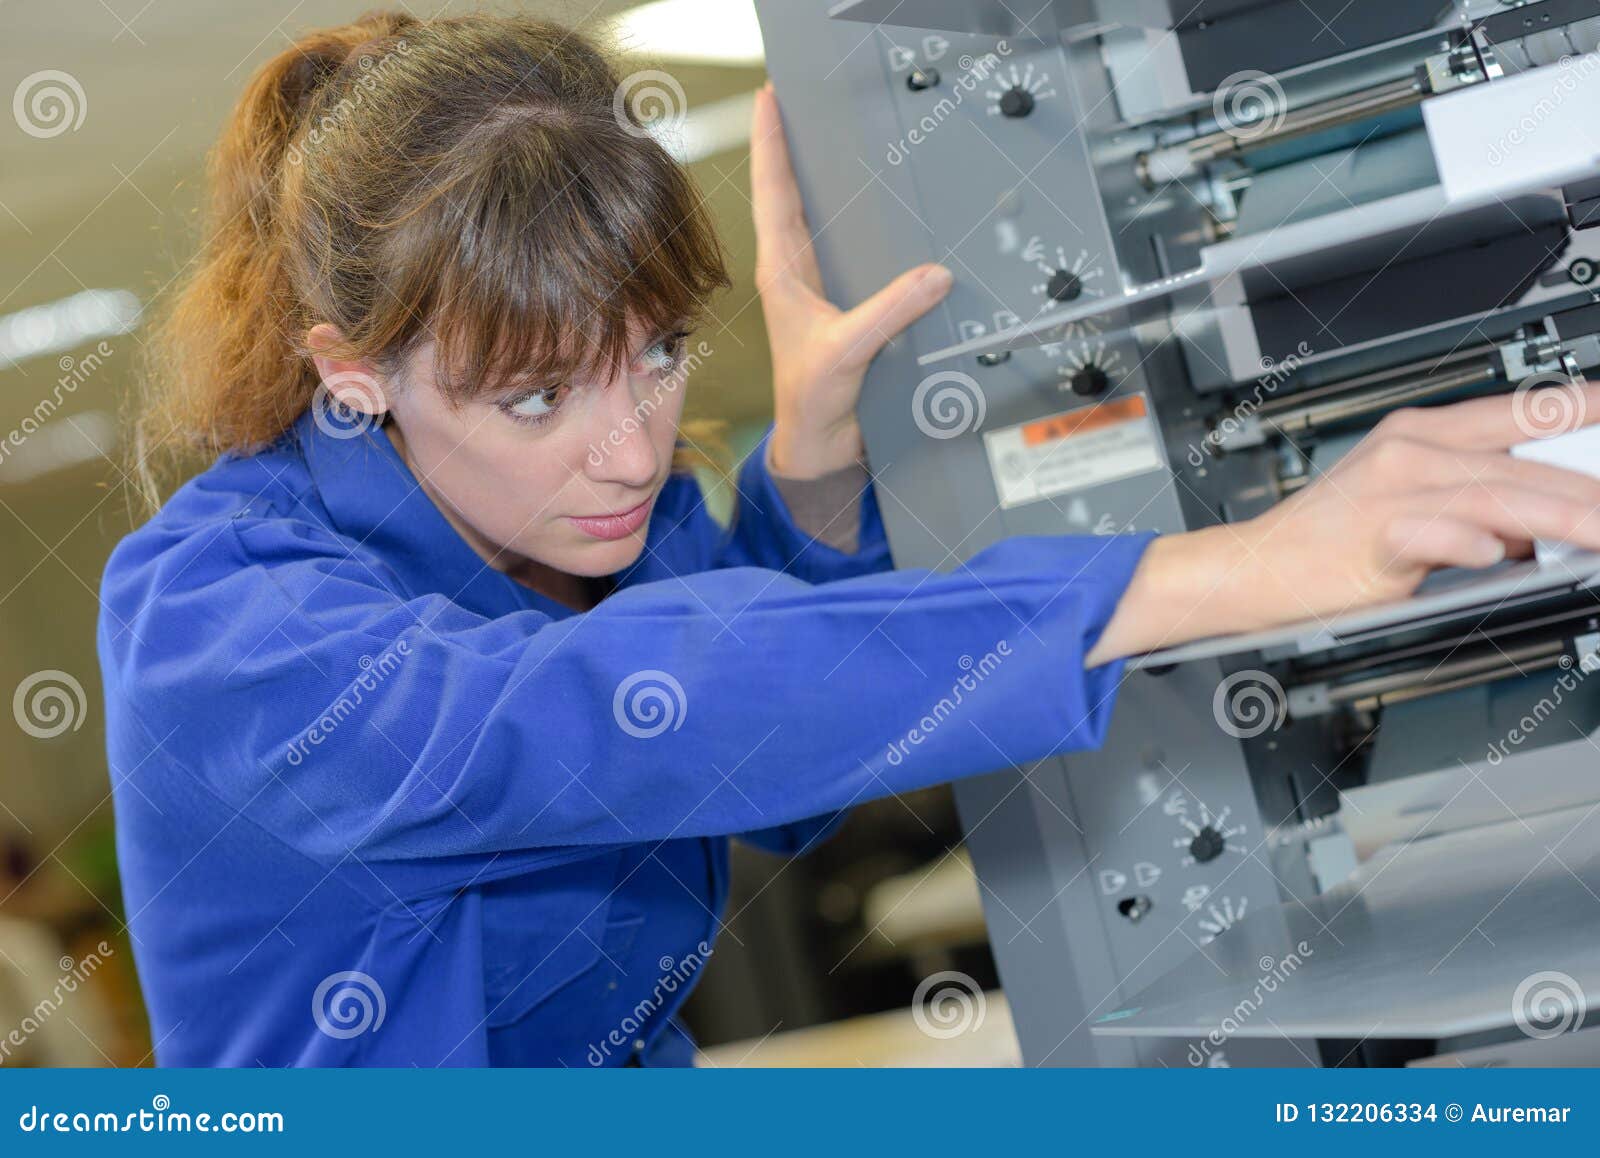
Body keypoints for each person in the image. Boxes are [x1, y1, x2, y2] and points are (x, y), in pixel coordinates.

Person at [97, 10, 1600, 1067]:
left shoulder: (583, 520)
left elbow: (766, 777)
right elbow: (614, 719)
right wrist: (1216, 571)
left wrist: (810, 476)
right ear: (352, 377)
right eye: (539, 392)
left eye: (659, 353)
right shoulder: (220, 621)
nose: (630, 447)